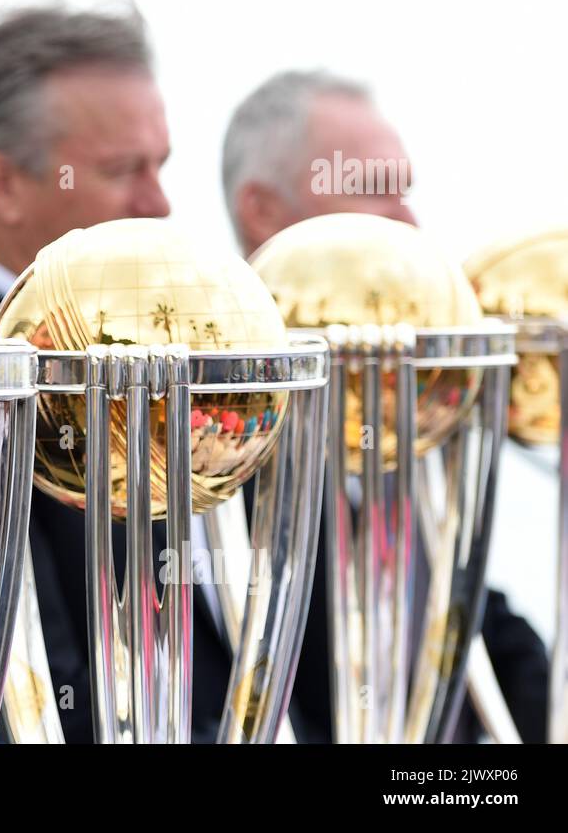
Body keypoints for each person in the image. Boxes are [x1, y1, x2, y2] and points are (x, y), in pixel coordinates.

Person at [220, 69, 550, 742]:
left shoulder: (405, 397)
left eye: (404, 191)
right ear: (262, 209)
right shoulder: (202, 436)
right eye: (374, 189)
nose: (409, 220)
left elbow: (462, 613)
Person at [0, 0, 237, 742]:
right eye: (120, 170)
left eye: (160, 166)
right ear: (5, 184)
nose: (158, 201)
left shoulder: (159, 354)